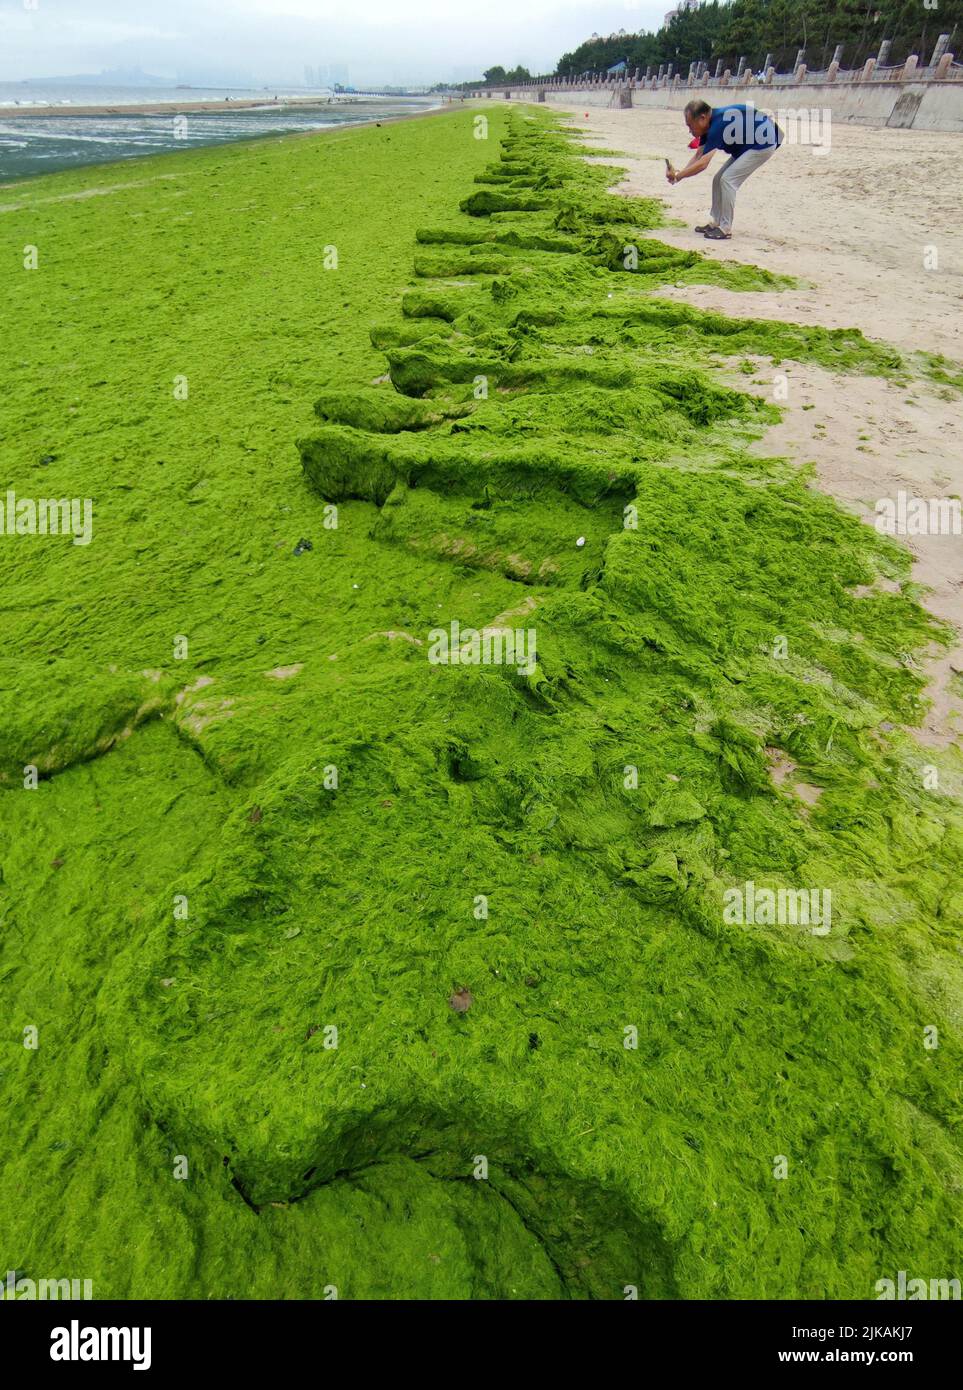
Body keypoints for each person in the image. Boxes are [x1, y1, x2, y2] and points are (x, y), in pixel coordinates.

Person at [666, 98, 782, 239]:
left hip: (762, 144)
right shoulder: (708, 125)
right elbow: (698, 154)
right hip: (746, 146)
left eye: (690, 126)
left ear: (702, 118)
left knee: (728, 180)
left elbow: (703, 164)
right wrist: (678, 174)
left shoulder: (717, 126)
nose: (690, 131)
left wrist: (678, 176)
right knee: (718, 179)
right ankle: (716, 222)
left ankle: (725, 228)